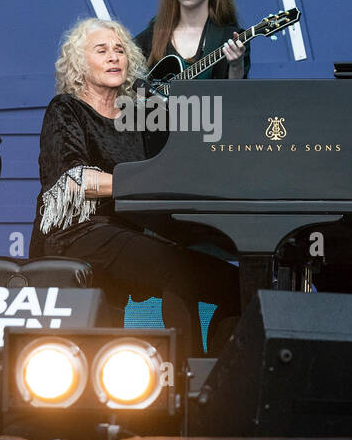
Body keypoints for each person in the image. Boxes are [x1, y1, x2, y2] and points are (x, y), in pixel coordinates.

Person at [31, 18, 240, 357]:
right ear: (80, 64)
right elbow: (75, 181)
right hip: (78, 235)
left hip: (126, 232)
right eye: (102, 51)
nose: (114, 57)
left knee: (231, 284)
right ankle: (184, 379)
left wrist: (231, 71)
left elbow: (181, 159)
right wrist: (147, 182)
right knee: (179, 272)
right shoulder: (66, 108)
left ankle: (213, 374)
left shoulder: (138, 114)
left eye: (120, 51)